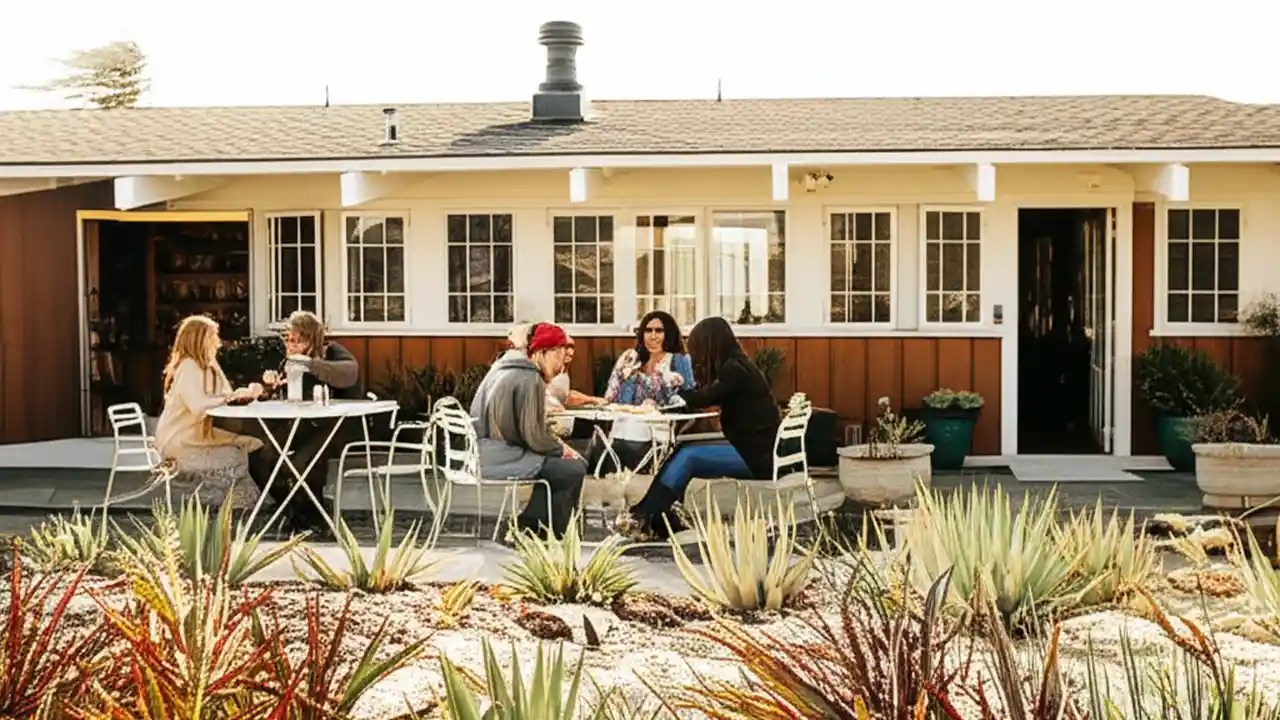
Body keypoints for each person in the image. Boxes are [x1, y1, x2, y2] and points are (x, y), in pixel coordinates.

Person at [625, 316, 780, 538]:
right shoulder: (738, 364)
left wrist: (678, 397)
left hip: (757, 456)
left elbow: (707, 396)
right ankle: (659, 516)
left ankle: (645, 516)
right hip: (756, 447)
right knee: (681, 450)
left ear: (710, 343)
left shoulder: (735, 369)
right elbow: (709, 393)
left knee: (689, 458)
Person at [243, 310, 363, 534]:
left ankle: (311, 516)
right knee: (259, 455)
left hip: (333, 427)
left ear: (312, 339)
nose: (291, 344)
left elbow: (349, 373)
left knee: (302, 461)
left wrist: (310, 363)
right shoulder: (287, 362)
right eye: (289, 339)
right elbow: (282, 395)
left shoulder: (332, 352)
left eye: (298, 340)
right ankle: (292, 510)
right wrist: (270, 386)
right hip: (299, 426)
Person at [470, 323, 586, 538]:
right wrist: (561, 450)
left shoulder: (501, 368)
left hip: (483, 451)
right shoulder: (529, 378)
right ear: (543, 352)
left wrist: (557, 448)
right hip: (500, 456)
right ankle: (543, 532)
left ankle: (533, 525)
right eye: (560, 355)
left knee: (562, 468)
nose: (562, 364)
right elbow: (534, 436)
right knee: (573, 468)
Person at [154, 315, 265, 505]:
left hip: (199, 435)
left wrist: (245, 393)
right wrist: (228, 398)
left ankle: (249, 504)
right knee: (239, 452)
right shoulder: (189, 367)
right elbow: (198, 405)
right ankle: (232, 506)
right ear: (199, 339)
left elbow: (226, 395)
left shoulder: (209, 364)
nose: (218, 343)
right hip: (181, 441)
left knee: (254, 443)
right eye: (213, 336)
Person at [592, 311, 694, 473]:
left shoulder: (678, 359)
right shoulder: (633, 359)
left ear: (669, 333)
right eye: (648, 330)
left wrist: (667, 385)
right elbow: (611, 398)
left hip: (659, 428)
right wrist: (624, 373)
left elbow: (688, 398)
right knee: (609, 438)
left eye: (659, 331)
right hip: (624, 424)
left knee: (630, 432)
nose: (652, 336)